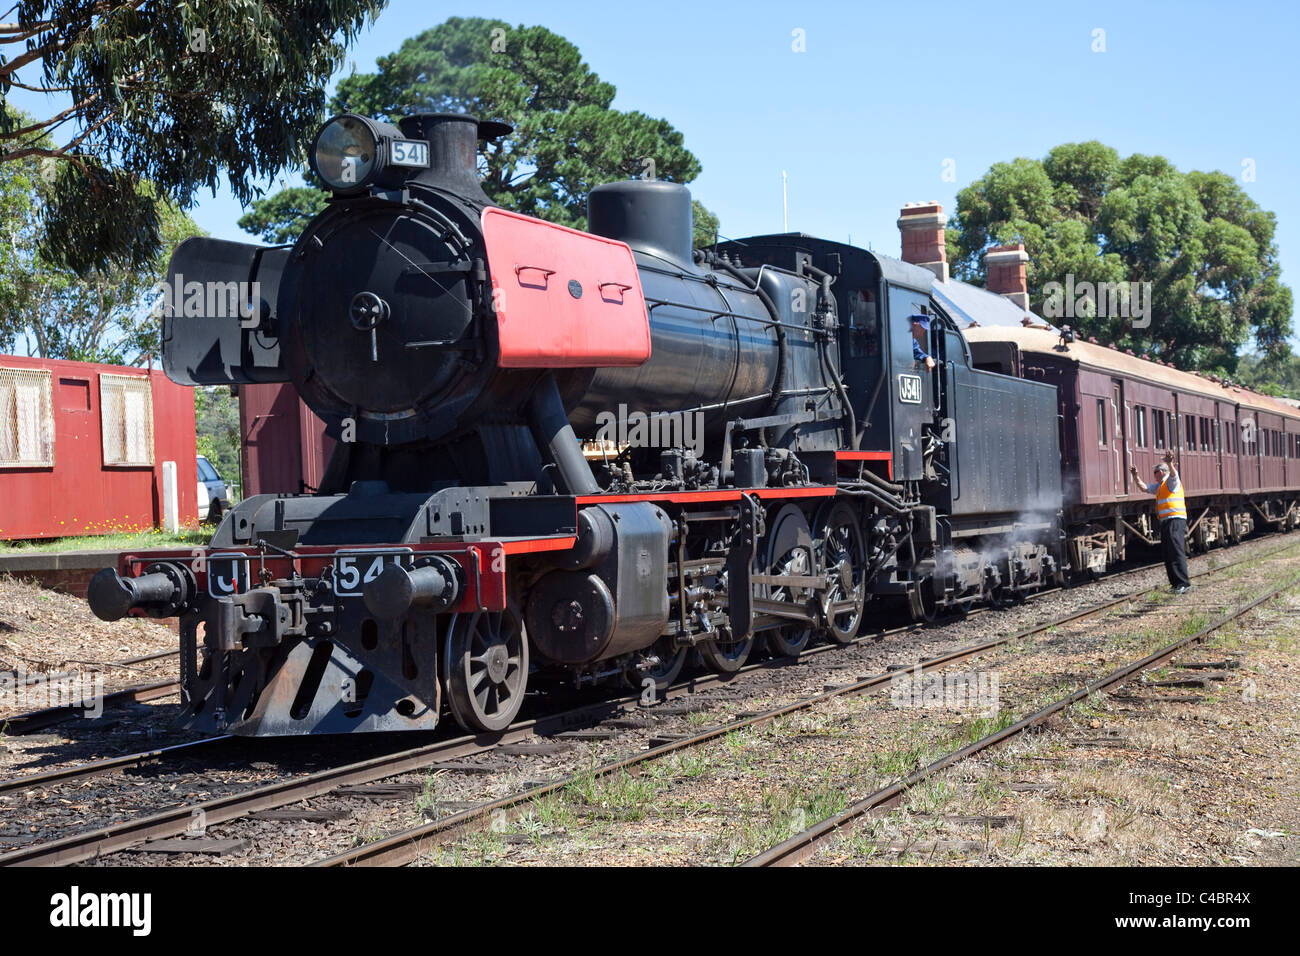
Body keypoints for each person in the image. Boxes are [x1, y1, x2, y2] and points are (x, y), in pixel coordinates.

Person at [1130, 453, 1190, 593]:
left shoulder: (1171, 482)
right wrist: (1135, 476)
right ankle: (1175, 585)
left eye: (1155, 473)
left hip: (1176, 520)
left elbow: (1174, 474)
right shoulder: (1160, 486)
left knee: (1176, 552)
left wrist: (1170, 463)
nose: (1154, 475)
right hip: (1166, 522)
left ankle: (1183, 583)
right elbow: (1144, 487)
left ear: (1161, 472)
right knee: (1168, 553)